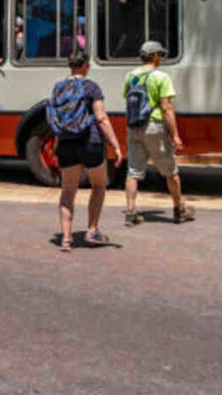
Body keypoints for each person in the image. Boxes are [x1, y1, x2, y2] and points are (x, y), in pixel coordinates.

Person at [48, 49, 123, 252]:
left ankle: (65, 238)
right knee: (98, 186)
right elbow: (101, 118)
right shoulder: (91, 87)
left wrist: (56, 146)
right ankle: (92, 230)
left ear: (70, 65)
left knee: (68, 191)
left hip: (66, 144)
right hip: (90, 142)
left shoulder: (58, 88)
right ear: (86, 66)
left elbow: (56, 119)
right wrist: (116, 145)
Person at [122, 41, 195, 226]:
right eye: (160, 55)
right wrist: (175, 135)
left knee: (133, 172)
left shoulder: (130, 76)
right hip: (154, 126)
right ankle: (179, 210)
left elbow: (128, 99)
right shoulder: (161, 77)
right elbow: (166, 108)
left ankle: (131, 212)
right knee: (171, 172)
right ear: (154, 56)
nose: (160, 58)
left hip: (133, 127)